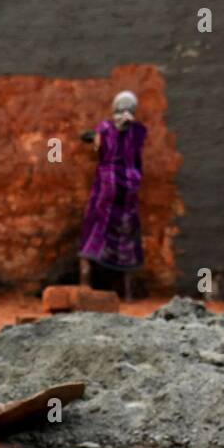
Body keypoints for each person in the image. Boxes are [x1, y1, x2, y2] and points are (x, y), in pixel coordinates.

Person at [78, 90, 147, 301]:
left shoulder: (109, 129)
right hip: (126, 192)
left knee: (94, 233)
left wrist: (100, 135)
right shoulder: (137, 130)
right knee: (125, 237)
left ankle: (85, 289)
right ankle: (128, 294)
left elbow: (95, 144)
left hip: (109, 191)